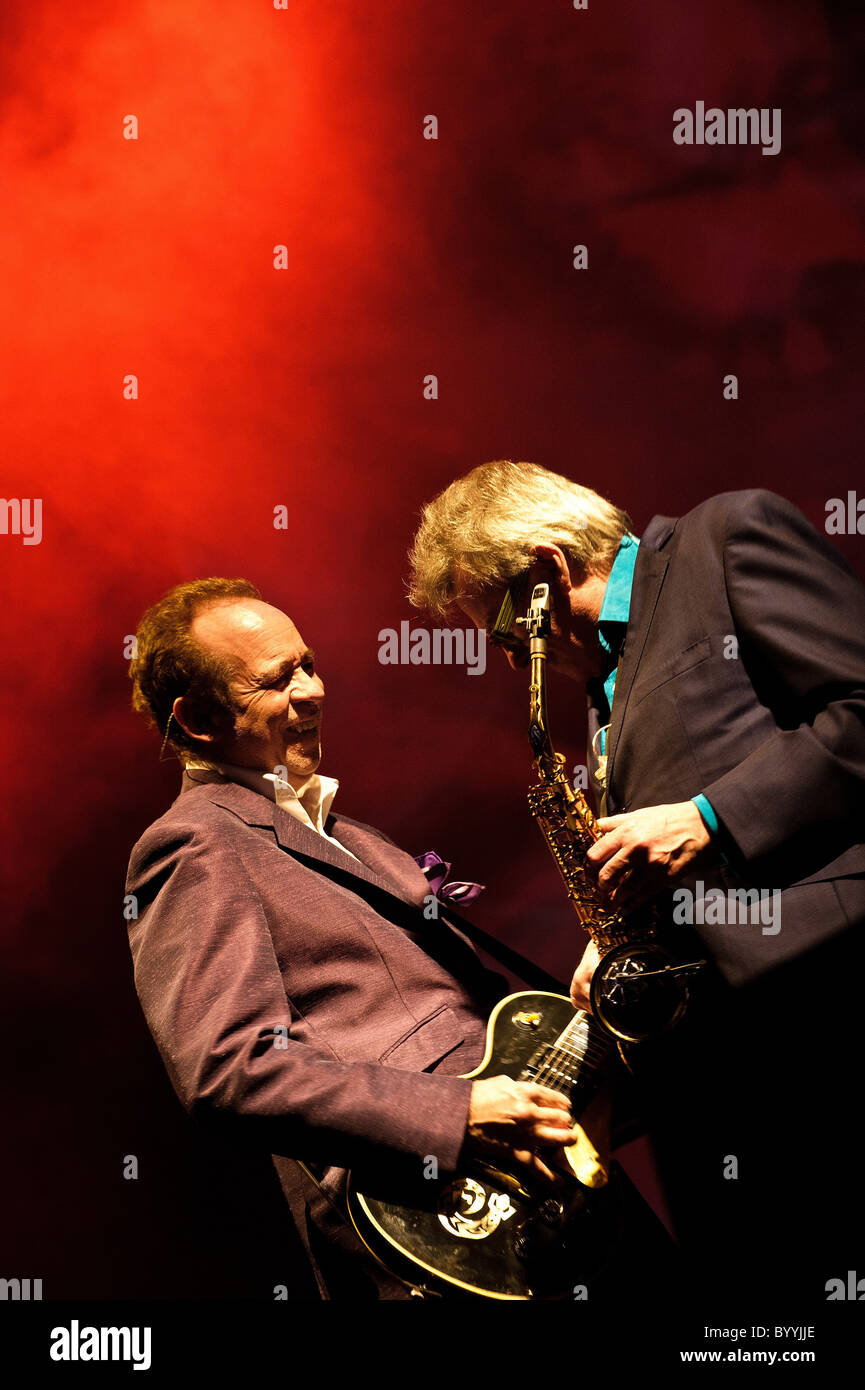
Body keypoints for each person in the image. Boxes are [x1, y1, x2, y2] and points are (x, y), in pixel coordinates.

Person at [123, 577, 669, 1301]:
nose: (313, 691)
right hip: (441, 1225)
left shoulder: (354, 836)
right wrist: (455, 1114)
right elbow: (229, 1069)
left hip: (546, 1200)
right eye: (276, 680)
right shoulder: (193, 842)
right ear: (195, 720)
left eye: (308, 663)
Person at [408, 460, 865, 1308]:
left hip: (827, 1007)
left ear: (545, 572)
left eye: (508, 635)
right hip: (724, 1072)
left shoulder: (723, 537)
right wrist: (623, 937)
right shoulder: (598, 689)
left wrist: (709, 818)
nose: (513, 663)